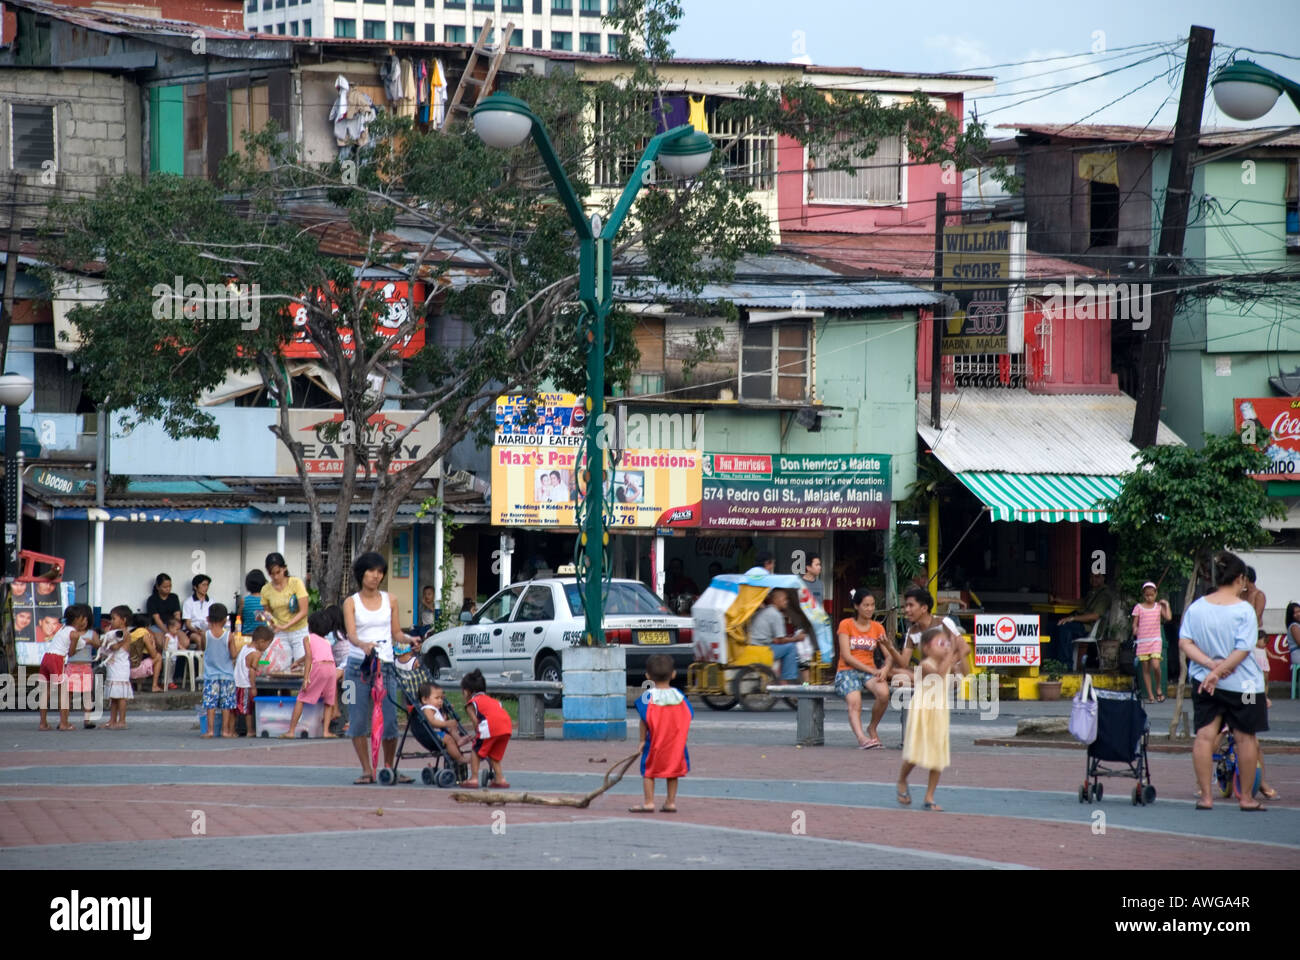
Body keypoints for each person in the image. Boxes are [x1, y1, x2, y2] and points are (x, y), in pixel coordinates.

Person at [1180, 551, 1269, 812]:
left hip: (1204, 682)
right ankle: (1247, 799)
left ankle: (1206, 797)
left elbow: (1185, 642)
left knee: (1205, 736)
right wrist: (1220, 671)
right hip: (1245, 686)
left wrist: (1210, 667)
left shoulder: (1197, 607)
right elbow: (1243, 649)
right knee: (1246, 738)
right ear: (1240, 578)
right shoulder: (1244, 610)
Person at [343, 552, 415, 784]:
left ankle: (388, 767)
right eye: (371, 571)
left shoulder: (390, 599)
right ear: (361, 573)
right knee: (357, 720)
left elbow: (396, 632)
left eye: (380, 572)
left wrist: (409, 638)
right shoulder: (351, 602)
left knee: (390, 719)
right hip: (356, 667)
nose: (376, 576)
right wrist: (363, 645)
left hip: (385, 666)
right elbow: (351, 634)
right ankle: (366, 770)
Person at [896, 625, 963, 810]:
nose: (945, 647)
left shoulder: (947, 661)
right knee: (915, 753)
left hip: (939, 711)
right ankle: (902, 779)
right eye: (941, 643)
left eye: (946, 643)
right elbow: (939, 675)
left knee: (938, 755)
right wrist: (953, 653)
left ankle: (929, 796)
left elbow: (963, 673)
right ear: (926, 648)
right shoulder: (925, 665)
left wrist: (961, 652)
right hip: (923, 711)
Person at [628, 653, 693, 813]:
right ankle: (670, 802)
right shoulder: (680, 696)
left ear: (648, 676)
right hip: (676, 744)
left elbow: (643, 720)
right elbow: (688, 715)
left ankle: (649, 802)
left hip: (655, 743)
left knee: (649, 771)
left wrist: (642, 740)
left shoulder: (646, 697)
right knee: (673, 772)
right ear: (674, 674)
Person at [835, 588, 894, 750]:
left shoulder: (877, 628)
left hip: (870, 672)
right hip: (846, 671)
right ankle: (862, 738)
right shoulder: (845, 625)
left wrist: (885, 669)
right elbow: (847, 656)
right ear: (856, 606)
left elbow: (889, 655)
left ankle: (872, 727)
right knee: (855, 702)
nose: (869, 609)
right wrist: (873, 671)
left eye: (872, 605)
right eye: (865, 605)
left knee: (884, 694)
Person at [283, 610, 338, 739]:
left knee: (301, 698)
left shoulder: (307, 638)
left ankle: (291, 731)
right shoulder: (326, 641)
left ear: (310, 626)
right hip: (331, 667)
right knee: (329, 701)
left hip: (318, 667)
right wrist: (298, 661)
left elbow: (309, 656)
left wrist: (306, 678)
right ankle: (326, 731)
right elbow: (313, 654)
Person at [37, 604, 92, 731]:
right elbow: (71, 653)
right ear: (77, 619)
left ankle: (43, 723)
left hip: (47, 657)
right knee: (64, 692)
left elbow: (82, 643)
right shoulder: (74, 634)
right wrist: (75, 641)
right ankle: (64, 723)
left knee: (47, 690)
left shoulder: (63, 628)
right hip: (57, 659)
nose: (85, 621)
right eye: (83, 618)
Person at [459, 668, 512, 789]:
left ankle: (473, 778)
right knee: (494, 754)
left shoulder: (472, 703)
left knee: (476, 751)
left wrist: (477, 734)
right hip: (506, 727)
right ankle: (500, 779)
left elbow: (475, 721)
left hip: (490, 727)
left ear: (467, 692)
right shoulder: (493, 701)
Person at [1054, 572, 1114, 669]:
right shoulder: (1093, 592)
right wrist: (1063, 601)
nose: (1093, 579)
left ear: (1103, 578)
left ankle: (1065, 665)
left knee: (1064, 628)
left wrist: (1072, 618)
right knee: (1052, 626)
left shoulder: (1104, 595)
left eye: (1097, 577)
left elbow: (1095, 616)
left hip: (1089, 628)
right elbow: (1081, 602)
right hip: (1081, 624)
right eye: (1091, 577)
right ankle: (1052, 662)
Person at [261, 553, 310, 670]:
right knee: (279, 667)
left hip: (299, 631)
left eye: (278, 572)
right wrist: (268, 620)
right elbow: (268, 613)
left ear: (284, 569)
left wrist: (285, 626)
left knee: (302, 666)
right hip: (280, 632)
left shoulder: (296, 583)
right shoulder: (266, 589)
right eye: (272, 574)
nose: (276, 577)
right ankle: (283, 689)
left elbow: (304, 611)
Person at [748, 588, 801, 683]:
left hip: (753, 647)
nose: (786, 602)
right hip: (762, 649)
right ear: (776, 600)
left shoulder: (764, 611)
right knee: (791, 648)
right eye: (784, 599)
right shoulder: (775, 614)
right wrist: (796, 638)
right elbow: (780, 640)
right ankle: (785, 681)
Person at [1132, 581, 1172, 704]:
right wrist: (1135, 629)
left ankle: (1158, 688)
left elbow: (1169, 618)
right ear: (1143, 595)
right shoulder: (1138, 607)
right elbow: (1134, 624)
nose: (1149, 597)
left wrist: (1166, 605)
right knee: (1145, 668)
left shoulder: (1158, 607)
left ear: (1156, 594)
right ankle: (1150, 695)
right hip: (1143, 641)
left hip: (1155, 640)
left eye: (1152, 595)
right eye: (1147, 595)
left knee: (1155, 665)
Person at [201, 603, 236, 739]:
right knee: (226, 705)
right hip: (227, 675)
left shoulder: (206, 635)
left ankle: (210, 730)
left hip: (211, 676)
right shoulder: (229, 636)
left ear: (208, 619)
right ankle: (225, 730)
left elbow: (203, 648)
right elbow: (233, 655)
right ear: (225, 620)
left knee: (211, 705)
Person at [417, 682, 473, 765]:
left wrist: (445, 719)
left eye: (441, 698)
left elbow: (439, 720)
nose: (440, 701)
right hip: (433, 733)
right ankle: (460, 758)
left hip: (439, 731)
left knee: (452, 728)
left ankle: (458, 740)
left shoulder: (434, 708)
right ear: (425, 699)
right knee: (448, 739)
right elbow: (432, 722)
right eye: (437, 698)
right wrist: (446, 723)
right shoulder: (427, 709)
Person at [233, 625, 273, 737]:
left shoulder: (245, 648)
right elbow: (252, 670)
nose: (267, 647)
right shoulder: (256, 653)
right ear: (261, 642)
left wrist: (266, 663)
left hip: (236, 682)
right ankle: (250, 730)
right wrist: (253, 687)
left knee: (236, 708)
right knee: (248, 710)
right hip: (245, 684)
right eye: (268, 644)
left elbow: (251, 664)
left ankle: (232, 729)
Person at [101, 608, 135, 730]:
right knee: (113, 695)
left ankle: (122, 720)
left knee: (120, 696)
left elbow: (114, 647)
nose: (111, 621)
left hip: (120, 668)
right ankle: (112, 720)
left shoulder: (124, 633)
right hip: (113, 667)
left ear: (123, 620)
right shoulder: (115, 632)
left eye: (114, 618)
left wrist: (106, 636)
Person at [127, 613, 164, 693]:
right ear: (148, 625)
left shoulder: (130, 633)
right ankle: (154, 686)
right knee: (158, 656)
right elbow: (153, 655)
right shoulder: (145, 635)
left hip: (125, 669)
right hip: (135, 669)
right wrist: (153, 644)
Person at [146, 573, 182, 645]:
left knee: (185, 641)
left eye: (170, 586)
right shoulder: (152, 599)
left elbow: (177, 614)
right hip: (157, 627)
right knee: (161, 643)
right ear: (157, 587)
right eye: (165, 587)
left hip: (172, 625)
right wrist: (167, 632)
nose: (168, 589)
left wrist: (175, 627)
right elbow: (157, 619)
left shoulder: (174, 597)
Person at [182, 575, 212, 651]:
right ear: (195, 587)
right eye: (203, 585)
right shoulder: (188, 602)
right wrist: (197, 631)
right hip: (191, 630)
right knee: (199, 639)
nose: (206, 587)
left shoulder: (211, 601)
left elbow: (213, 620)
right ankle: (200, 662)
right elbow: (188, 624)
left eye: (207, 585)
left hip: (207, 629)